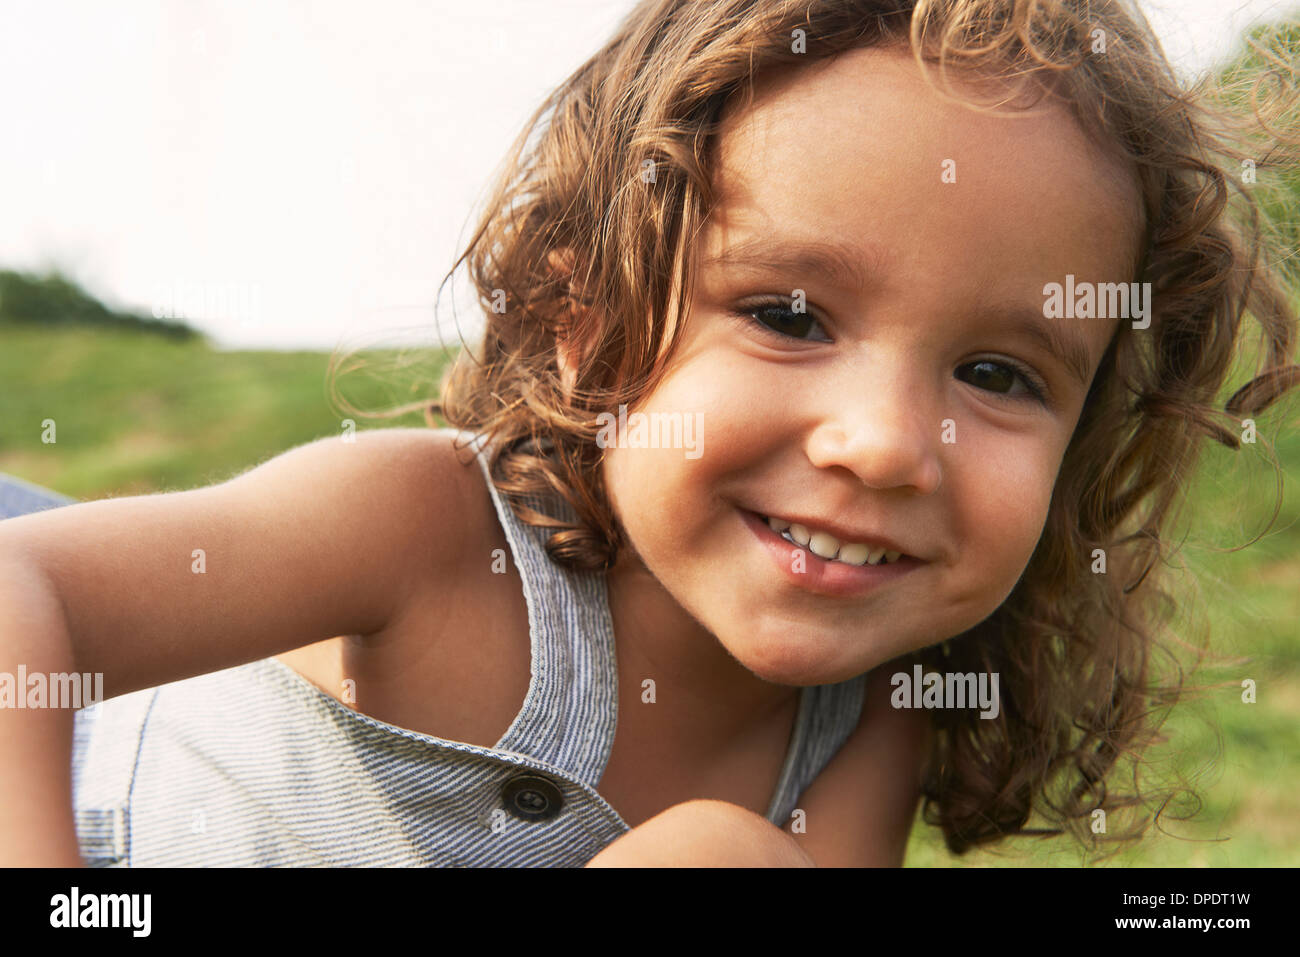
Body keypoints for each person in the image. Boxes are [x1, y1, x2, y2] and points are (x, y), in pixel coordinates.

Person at [2, 0, 1296, 867]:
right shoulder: (429, 535)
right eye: (790, 315)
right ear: (586, 315)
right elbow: (24, 592)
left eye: (1001, 371)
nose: (888, 444)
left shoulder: (875, 713)